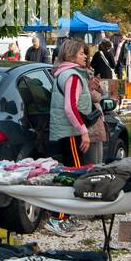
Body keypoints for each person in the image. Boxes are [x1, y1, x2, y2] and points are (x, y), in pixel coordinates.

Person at [49, 37, 92, 168]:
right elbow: (70, 108)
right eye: (81, 53)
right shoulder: (72, 76)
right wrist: (83, 131)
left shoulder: (64, 73)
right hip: (71, 133)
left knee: (71, 169)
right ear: (71, 56)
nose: (85, 56)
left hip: (68, 131)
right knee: (75, 171)